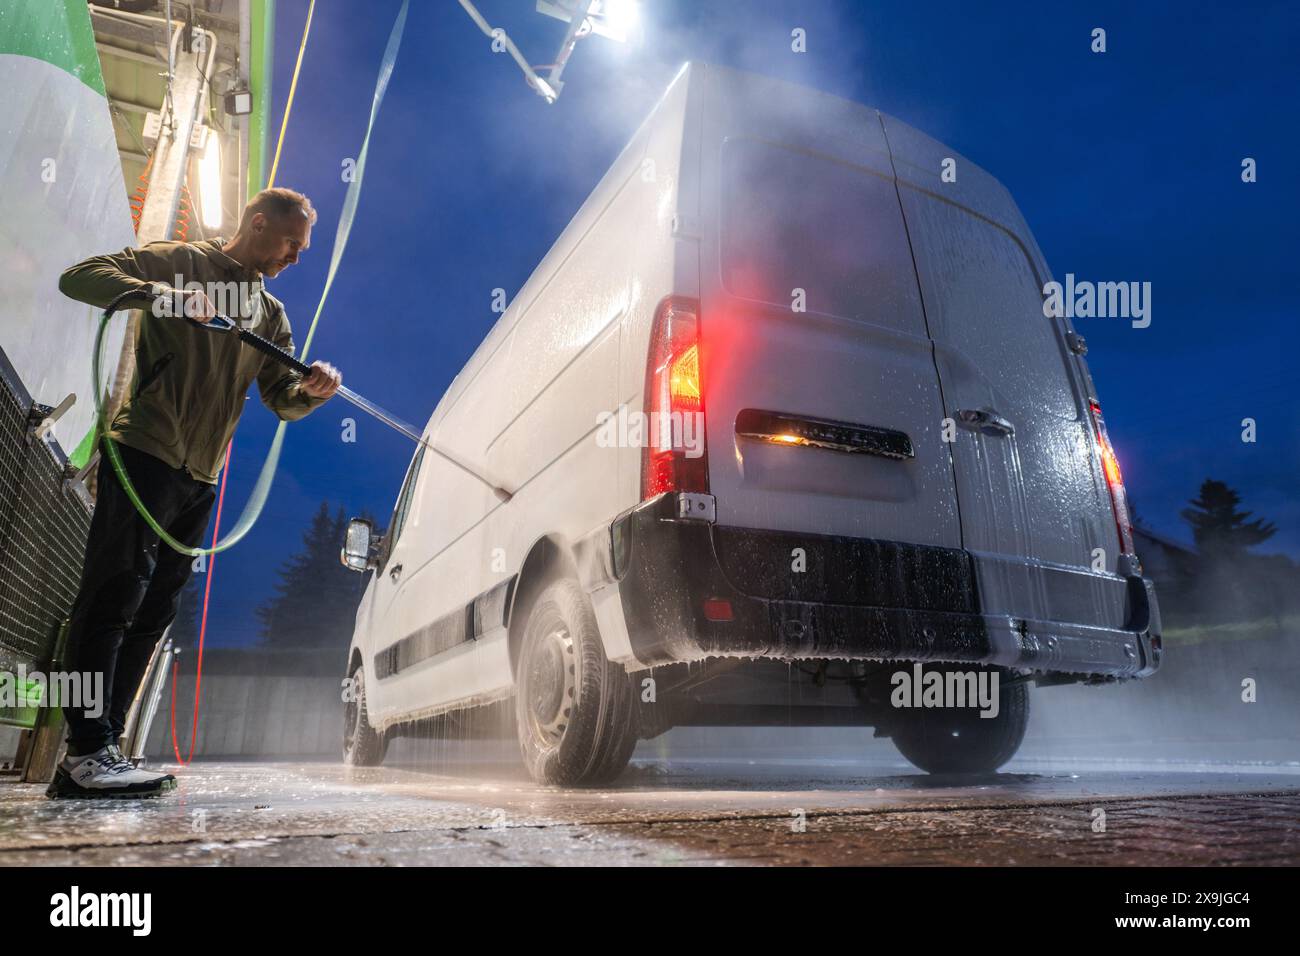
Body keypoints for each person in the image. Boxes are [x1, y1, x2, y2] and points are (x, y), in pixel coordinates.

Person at [47, 187, 341, 798]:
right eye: (291, 243)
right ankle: (83, 753)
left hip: (201, 476)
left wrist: (311, 392)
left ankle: (108, 746)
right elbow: (78, 279)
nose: (295, 258)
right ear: (258, 224)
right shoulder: (180, 261)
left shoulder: (270, 315)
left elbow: (281, 401)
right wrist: (166, 296)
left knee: (154, 609)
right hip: (147, 451)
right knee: (114, 593)